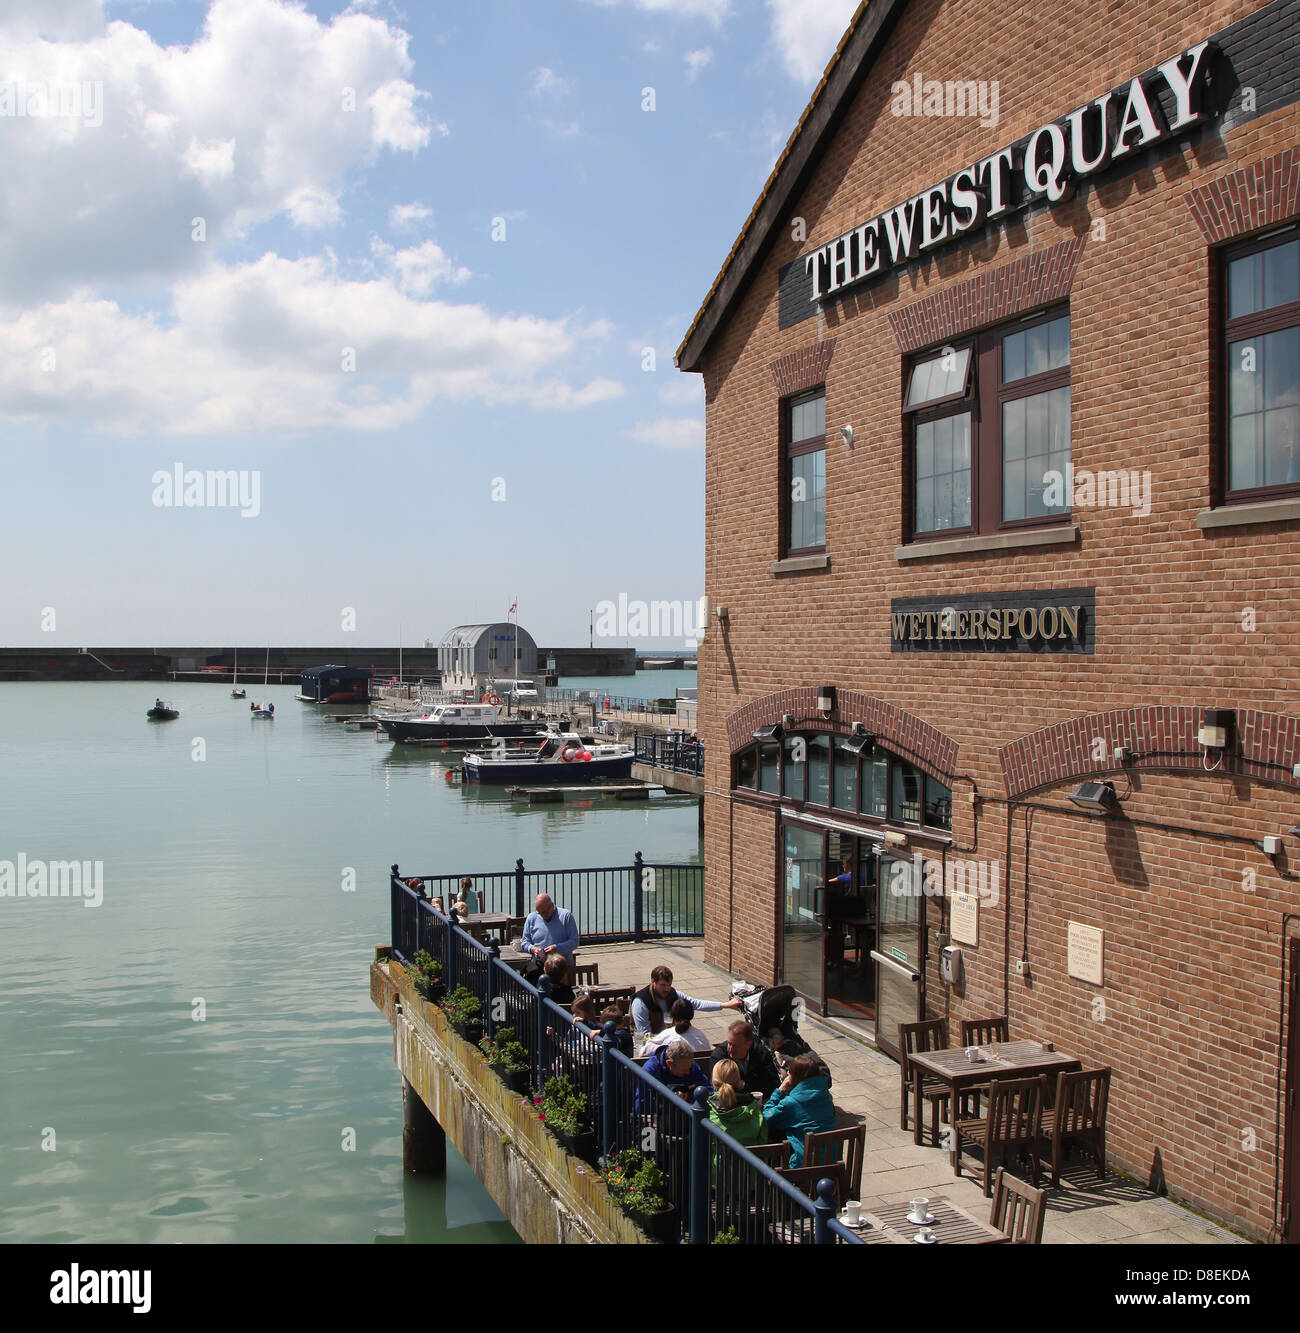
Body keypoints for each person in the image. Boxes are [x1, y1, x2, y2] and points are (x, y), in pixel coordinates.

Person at [631, 965, 741, 1039]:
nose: (667, 989)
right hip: (649, 1043)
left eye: (669, 985)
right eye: (663, 985)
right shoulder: (641, 1002)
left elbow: (697, 1004)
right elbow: (645, 1035)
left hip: (670, 1039)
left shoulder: (673, 995)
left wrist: (725, 1005)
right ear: (653, 982)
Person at [762, 1055, 835, 1166]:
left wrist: (780, 1090)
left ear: (796, 1078)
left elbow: (766, 1117)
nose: (786, 1075)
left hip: (803, 1167)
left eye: (789, 1073)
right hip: (830, 1163)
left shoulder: (792, 1103)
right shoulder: (826, 1097)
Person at [710, 1020, 782, 1098]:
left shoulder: (761, 1054)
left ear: (748, 1044)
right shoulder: (719, 1057)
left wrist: (745, 1085)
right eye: (729, 1043)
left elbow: (773, 1084)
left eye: (735, 1046)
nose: (730, 1049)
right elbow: (717, 1086)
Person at [635, 1040, 709, 1111]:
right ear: (669, 1063)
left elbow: (708, 1090)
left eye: (690, 1068)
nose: (688, 1073)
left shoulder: (690, 1066)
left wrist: (689, 1097)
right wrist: (669, 1100)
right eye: (683, 1070)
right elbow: (641, 1106)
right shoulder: (651, 1070)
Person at [708, 1059, 765, 1148]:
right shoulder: (754, 1107)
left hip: (717, 1161)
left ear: (714, 1082)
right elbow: (763, 1143)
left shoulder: (706, 1108)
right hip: (749, 1161)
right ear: (739, 1081)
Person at [519, 893, 580, 975]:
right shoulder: (531, 918)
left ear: (552, 905)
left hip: (561, 969)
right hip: (538, 967)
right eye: (540, 913)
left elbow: (574, 941)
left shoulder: (565, 916)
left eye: (545, 912)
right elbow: (525, 942)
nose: (543, 915)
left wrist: (556, 948)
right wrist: (532, 949)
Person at [641, 999, 711, 1057]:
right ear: (691, 1015)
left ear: (672, 1015)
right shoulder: (701, 1037)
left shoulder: (668, 1036)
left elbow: (643, 1053)